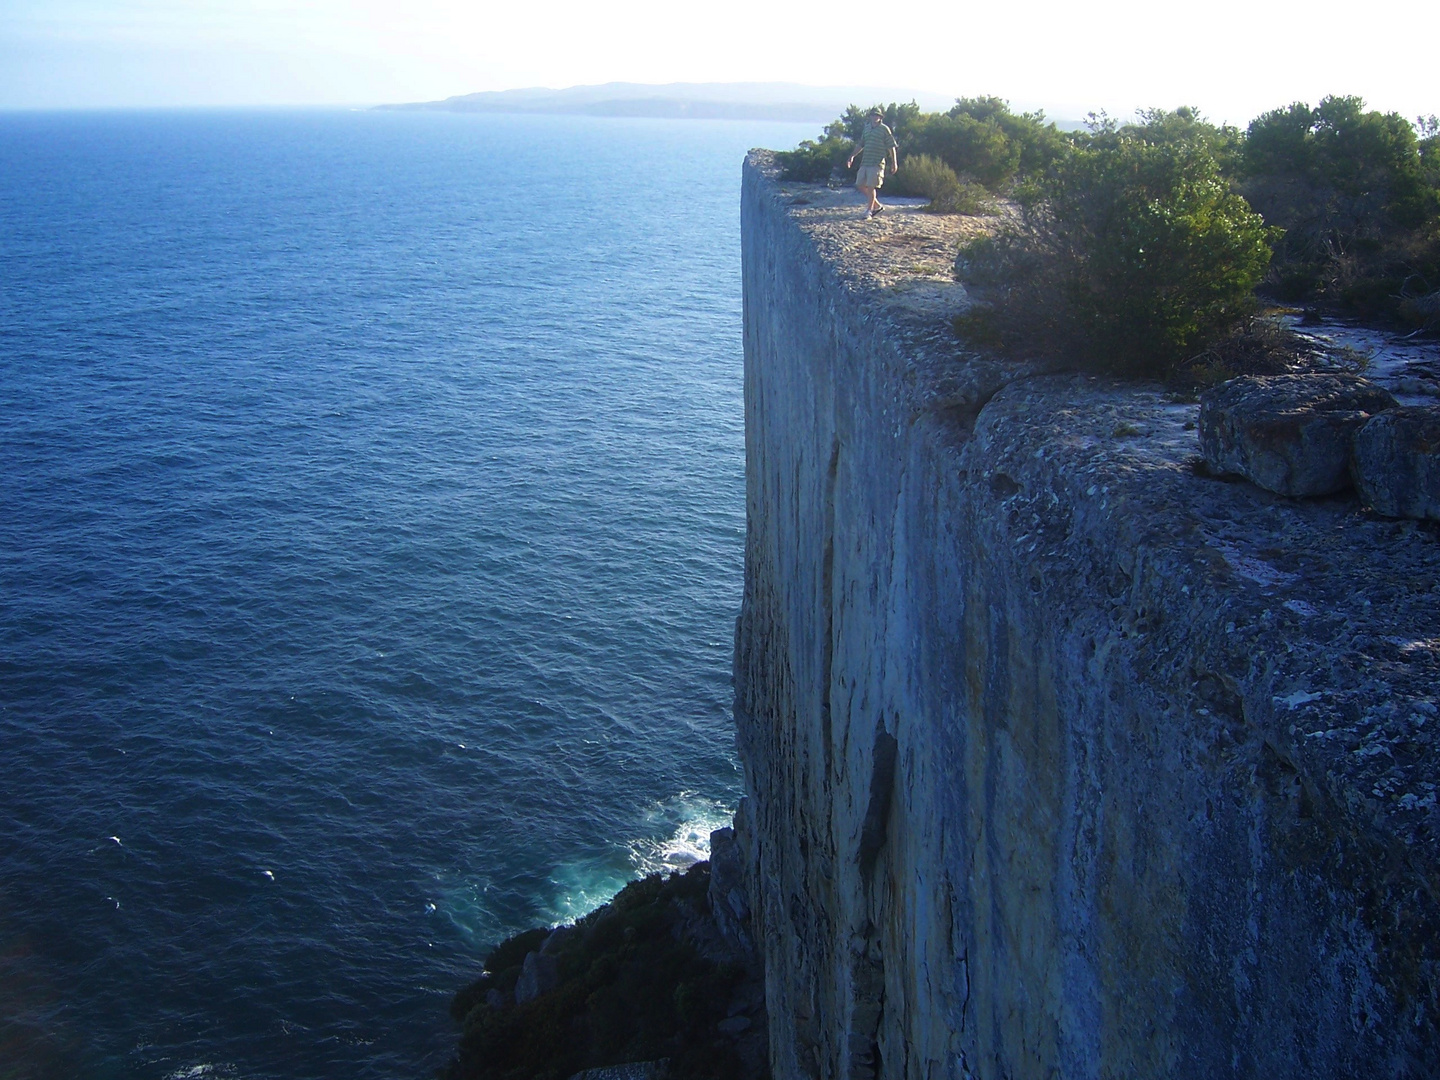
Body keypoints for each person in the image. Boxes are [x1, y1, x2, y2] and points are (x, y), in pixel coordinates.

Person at [846, 109, 899, 218]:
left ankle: (869, 211)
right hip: (865, 161)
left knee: (871, 186)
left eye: (877, 115)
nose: (875, 117)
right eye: (873, 115)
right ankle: (877, 206)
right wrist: (852, 156)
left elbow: (891, 146)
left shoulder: (884, 129)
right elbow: (861, 144)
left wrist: (894, 162)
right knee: (860, 184)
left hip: (877, 162)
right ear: (870, 116)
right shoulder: (866, 128)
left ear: (880, 117)